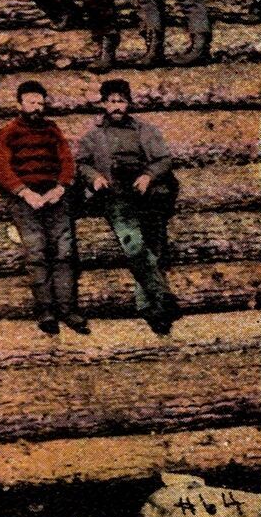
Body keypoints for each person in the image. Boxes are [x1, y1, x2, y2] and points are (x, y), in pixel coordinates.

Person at [76, 79, 182, 336]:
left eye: (121, 101)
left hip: (145, 194)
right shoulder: (93, 136)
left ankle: (151, 309)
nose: (116, 106)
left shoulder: (145, 130)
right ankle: (161, 296)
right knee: (133, 243)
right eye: (111, 101)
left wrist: (148, 176)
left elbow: (164, 159)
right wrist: (94, 177)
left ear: (129, 103)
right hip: (114, 196)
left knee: (154, 247)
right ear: (103, 104)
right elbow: (81, 164)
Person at [0, 81, 84, 335]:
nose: (36, 107)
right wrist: (25, 193)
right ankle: (46, 311)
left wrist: (60, 188)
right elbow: (2, 168)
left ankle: (67, 309)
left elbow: (67, 162)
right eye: (31, 102)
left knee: (65, 251)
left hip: (54, 196)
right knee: (37, 251)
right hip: (25, 199)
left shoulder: (52, 130)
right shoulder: (8, 132)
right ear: (20, 104)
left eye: (40, 103)